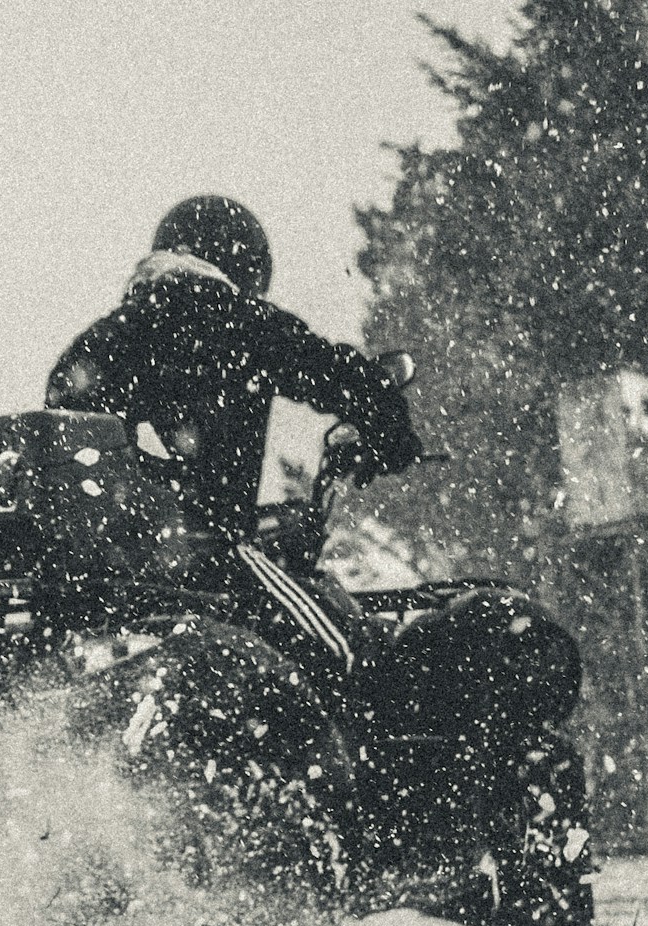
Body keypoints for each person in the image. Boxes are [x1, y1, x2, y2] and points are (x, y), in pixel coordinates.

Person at [45, 195, 422, 677]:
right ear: (243, 264)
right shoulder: (229, 317)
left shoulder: (97, 343)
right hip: (200, 560)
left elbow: (74, 445)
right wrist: (389, 426)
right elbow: (332, 371)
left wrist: (153, 487)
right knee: (345, 653)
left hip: (95, 578)